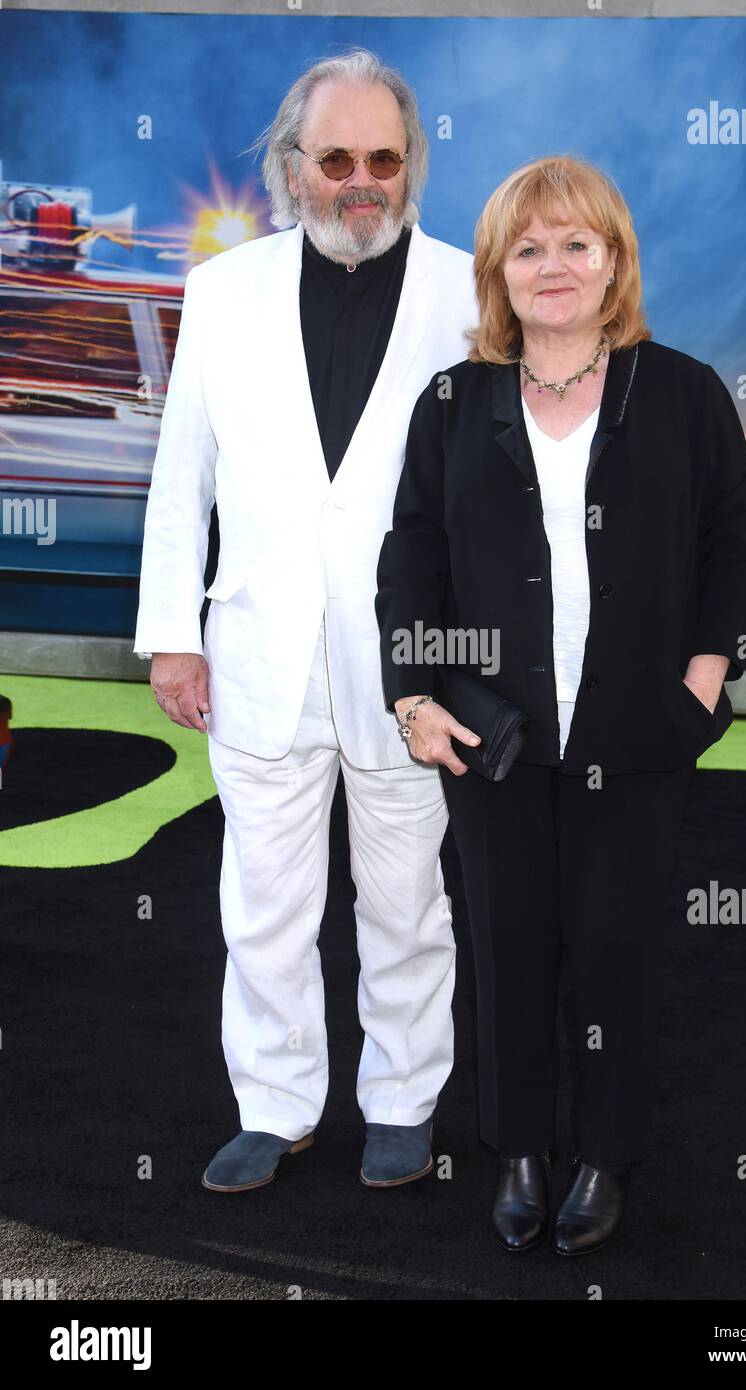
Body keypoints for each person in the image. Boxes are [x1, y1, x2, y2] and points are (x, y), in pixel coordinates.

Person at [376, 154, 746, 1254]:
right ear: (498, 272)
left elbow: (734, 539)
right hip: (490, 736)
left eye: (574, 245)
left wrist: (703, 675)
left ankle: (604, 1154)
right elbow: (410, 557)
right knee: (506, 951)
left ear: (613, 262)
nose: (550, 266)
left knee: (615, 953)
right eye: (527, 248)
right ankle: (516, 1152)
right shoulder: (453, 402)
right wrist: (412, 692)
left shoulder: (682, 392)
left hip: (636, 733)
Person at [134, 48, 477, 1194]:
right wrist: (171, 634)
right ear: (291, 168)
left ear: (411, 164)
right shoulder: (222, 291)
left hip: (410, 667)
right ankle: (274, 1106)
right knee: (264, 904)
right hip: (255, 654)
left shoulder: (469, 291)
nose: (360, 181)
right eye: (336, 160)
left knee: (407, 900)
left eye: (384, 158)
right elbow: (182, 475)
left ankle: (402, 1100)